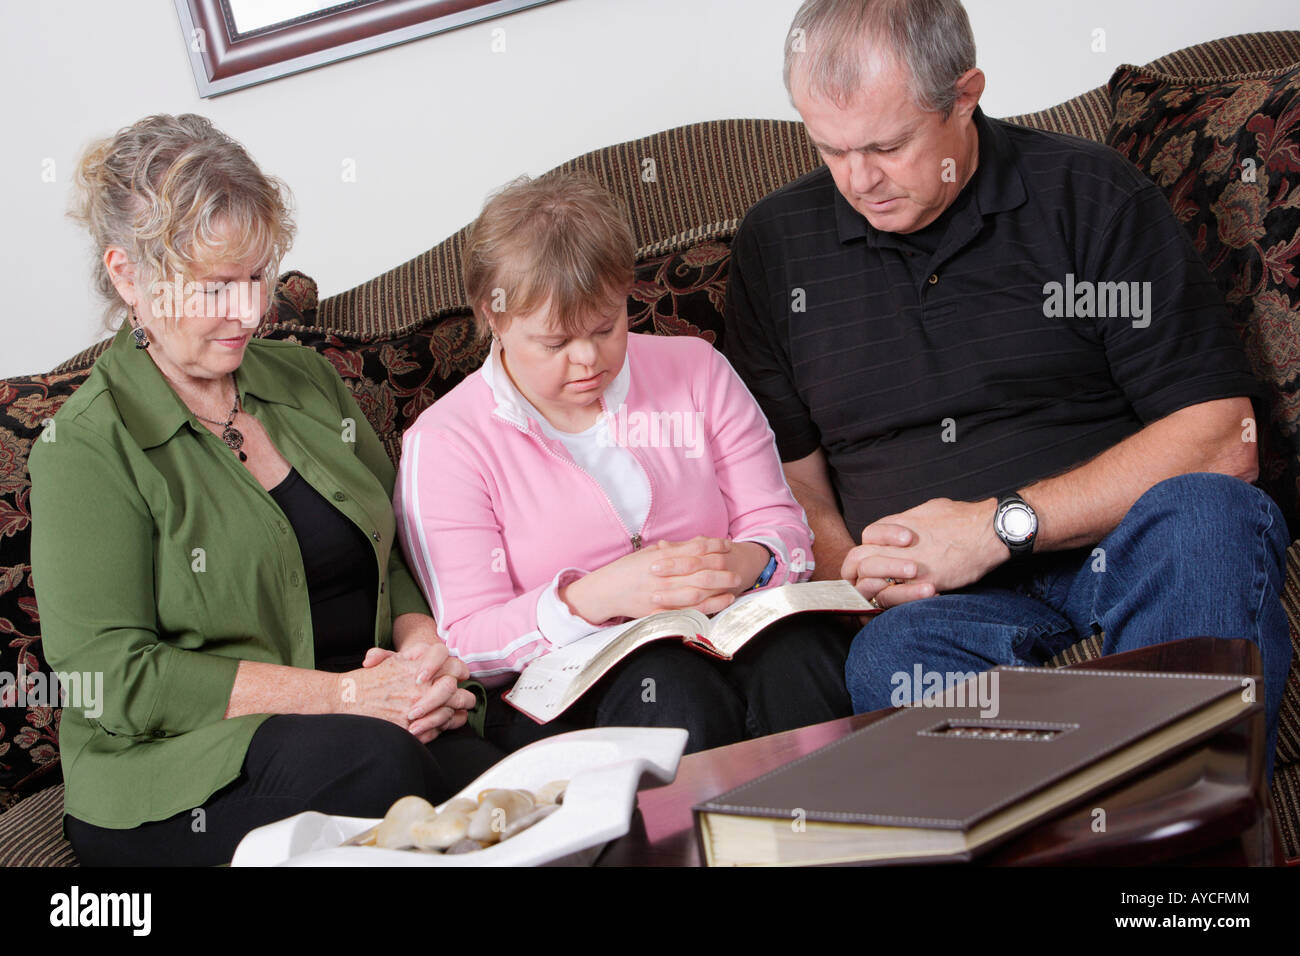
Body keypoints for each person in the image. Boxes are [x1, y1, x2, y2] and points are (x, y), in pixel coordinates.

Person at [724, 0, 1292, 776]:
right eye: (831, 149)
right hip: (939, 614)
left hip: (1119, 550)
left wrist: (998, 526)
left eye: (888, 146)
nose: (859, 180)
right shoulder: (775, 246)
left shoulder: (1088, 194)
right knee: (892, 656)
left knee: (1210, 514)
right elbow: (791, 480)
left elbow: (1226, 439)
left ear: (966, 94)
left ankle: (1181, 832)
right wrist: (858, 566)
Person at [29, 114, 503, 866]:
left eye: (256, 277)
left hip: (372, 720)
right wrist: (344, 699)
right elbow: (111, 677)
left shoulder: (306, 380)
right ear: (128, 276)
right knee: (379, 769)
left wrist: (420, 653)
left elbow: (392, 554)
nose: (248, 312)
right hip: (177, 772)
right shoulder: (86, 449)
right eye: (214, 287)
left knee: (515, 778)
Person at [395, 172, 853, 754]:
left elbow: (782, 525)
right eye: (556, 343)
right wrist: (593, 598)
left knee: (804, 658)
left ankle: (846, 837)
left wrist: (748, 562)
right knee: (671, 690)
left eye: (606, 327)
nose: (588, 360)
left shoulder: (697, 370)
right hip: (573, 686)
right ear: (494, 315)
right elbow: (469, 641)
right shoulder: (445, 443)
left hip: (729, 628)